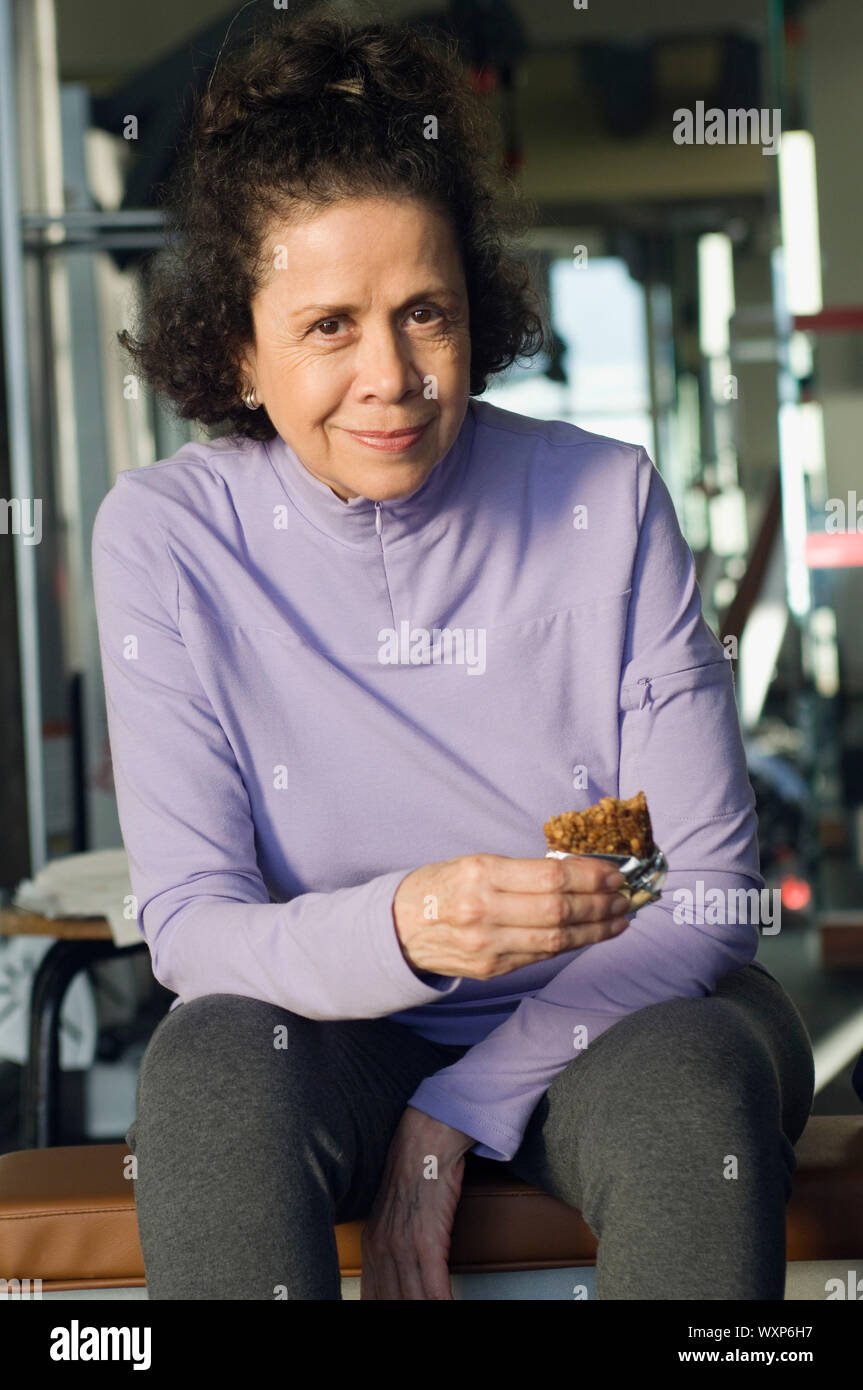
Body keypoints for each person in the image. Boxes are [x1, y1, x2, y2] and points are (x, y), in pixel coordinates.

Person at [92, 13, 814, 1301]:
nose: (391, 377)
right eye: (327, 327)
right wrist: (415, 924)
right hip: (336, 1037)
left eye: (425, 313)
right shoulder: (168, 537)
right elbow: (196, 928)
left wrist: (454, 1114)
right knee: (206, 1072)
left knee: (694, 1081)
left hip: (622, 1015)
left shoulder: (608, 498)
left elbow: (699, 896)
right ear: (241, 349)